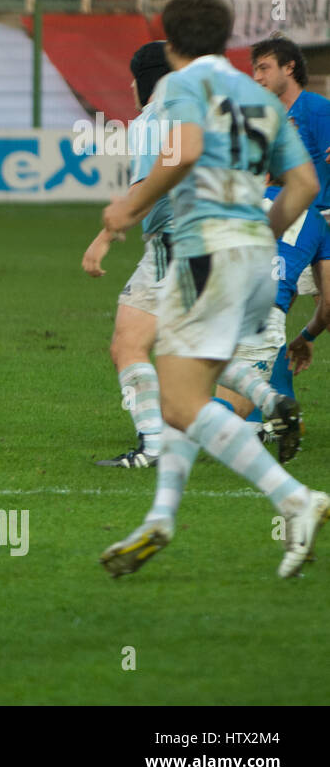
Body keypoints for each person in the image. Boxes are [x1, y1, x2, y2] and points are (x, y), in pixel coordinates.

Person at [99, 0, 326, 580]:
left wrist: (127, 208)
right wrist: (259, 233)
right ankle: (161, 518)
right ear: (226, 39)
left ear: (171, 44)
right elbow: (302, 184)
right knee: (187, 390)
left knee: (180, 401)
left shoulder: (179, 85)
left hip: (205, 253)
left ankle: (294, 498)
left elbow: (183, 153)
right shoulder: (259, 95)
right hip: (257, 258)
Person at [82, 41, 300, 469]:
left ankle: (152, 444)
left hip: (177, 243)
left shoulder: (152, 119)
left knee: (129, 342)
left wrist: (105, 235)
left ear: (143, 80)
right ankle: (270, 401)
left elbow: (148, 188)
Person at [253, 36, 330, 384]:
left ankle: (296, 349)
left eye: (264, 67)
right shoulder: (270, 117)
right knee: (274, 306)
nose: (257, 76)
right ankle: (278, 404)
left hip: (319, 220)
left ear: (290, 68)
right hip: (292, 220)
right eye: (255, 68)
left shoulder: (315, 107)